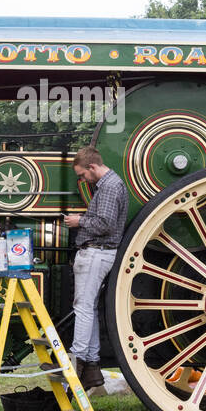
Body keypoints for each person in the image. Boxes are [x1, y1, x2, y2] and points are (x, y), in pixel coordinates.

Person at [62, 146, 128, 392]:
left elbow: (105, 224)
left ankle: (77, 361)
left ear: (92, 167)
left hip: (97, 252)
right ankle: (91, 366)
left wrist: (79, 221)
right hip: (98, 253)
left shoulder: (109, 187)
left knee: (83, 309)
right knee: (87, 307)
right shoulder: (110, 185)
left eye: (82, 175)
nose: (82, 180)